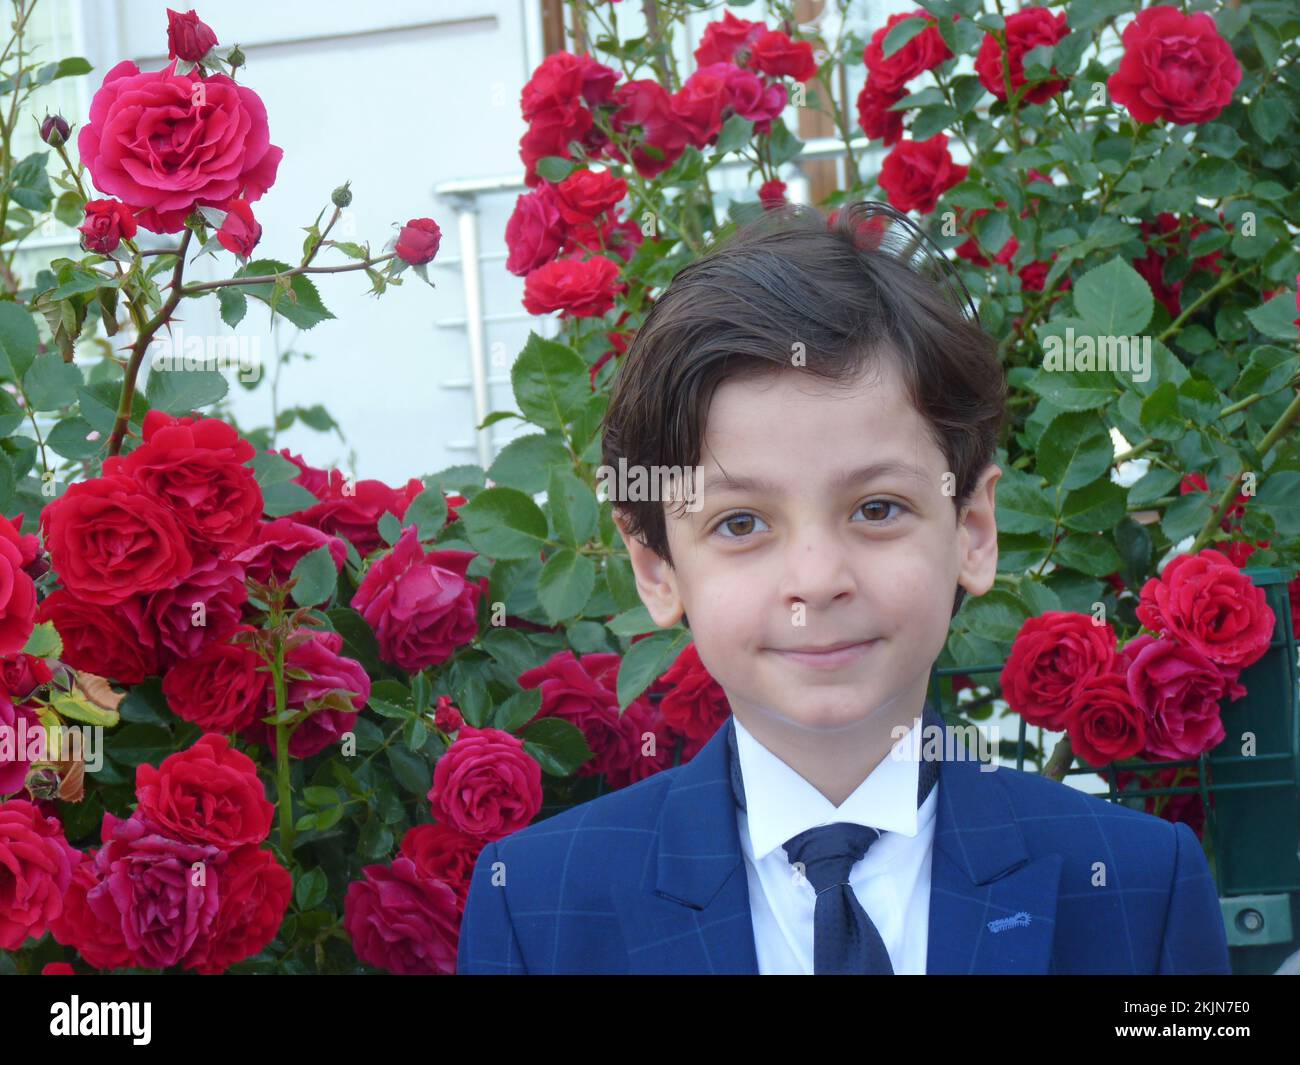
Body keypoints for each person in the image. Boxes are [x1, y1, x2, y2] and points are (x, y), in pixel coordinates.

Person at [456, 201, 1232, 975]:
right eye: (740, 523)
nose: (817, 581)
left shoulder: (1139, 888)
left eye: (877, 508)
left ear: (972, 530)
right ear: (657, 568)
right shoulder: (535, 909)